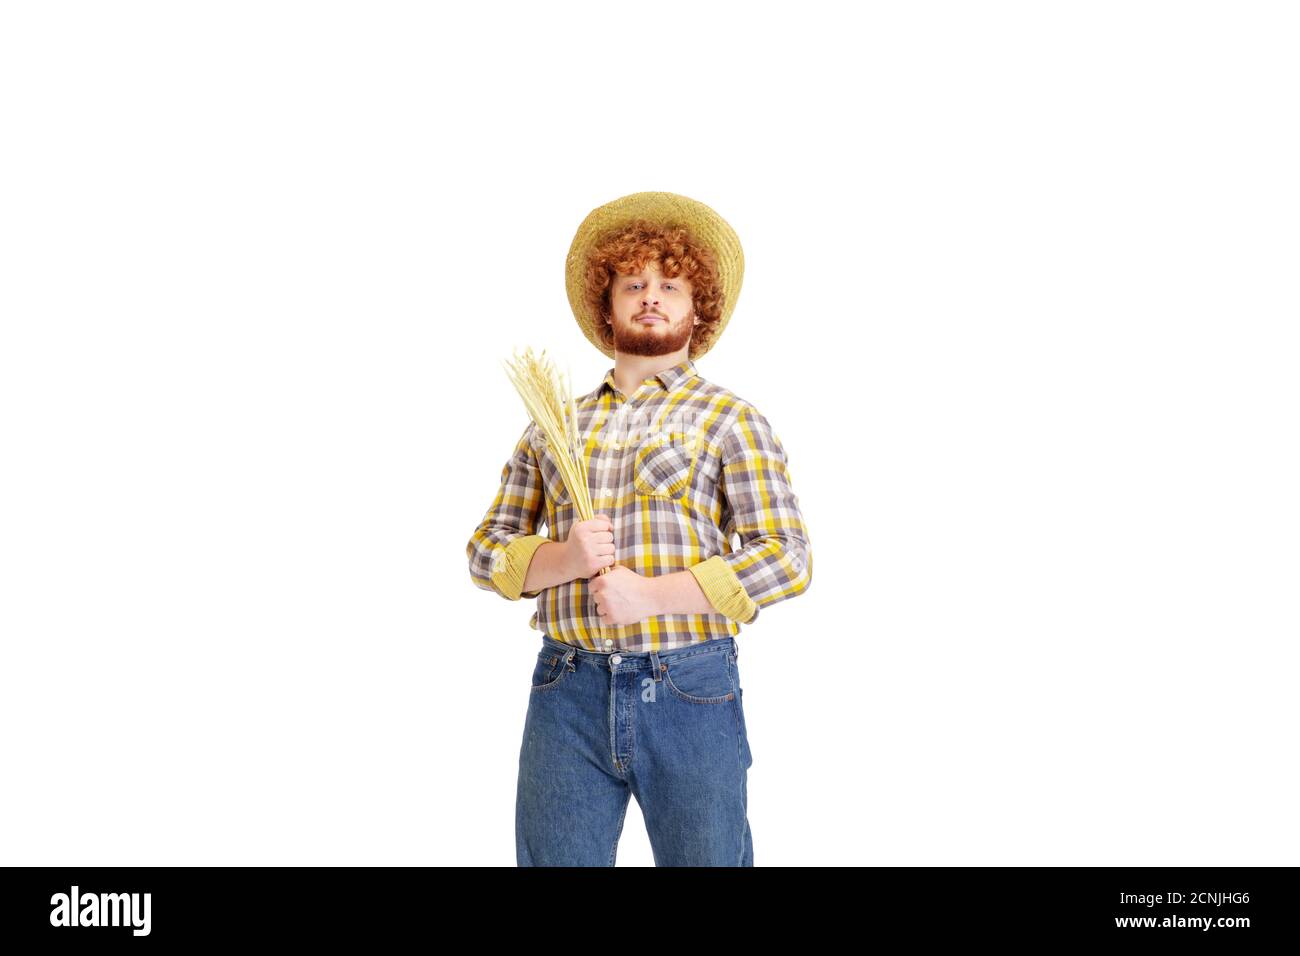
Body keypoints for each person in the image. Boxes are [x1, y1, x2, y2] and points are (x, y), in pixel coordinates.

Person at [466, 191, 813, 866]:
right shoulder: (552, 428)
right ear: (608, 303)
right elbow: (486, 551)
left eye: (670, 284)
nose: (650, 296)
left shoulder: (730, 421)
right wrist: (563, 558)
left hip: (690, 685)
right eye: (633, 283)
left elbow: (787, 557)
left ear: (697, 307)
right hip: (566, 690)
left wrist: (652, 597)